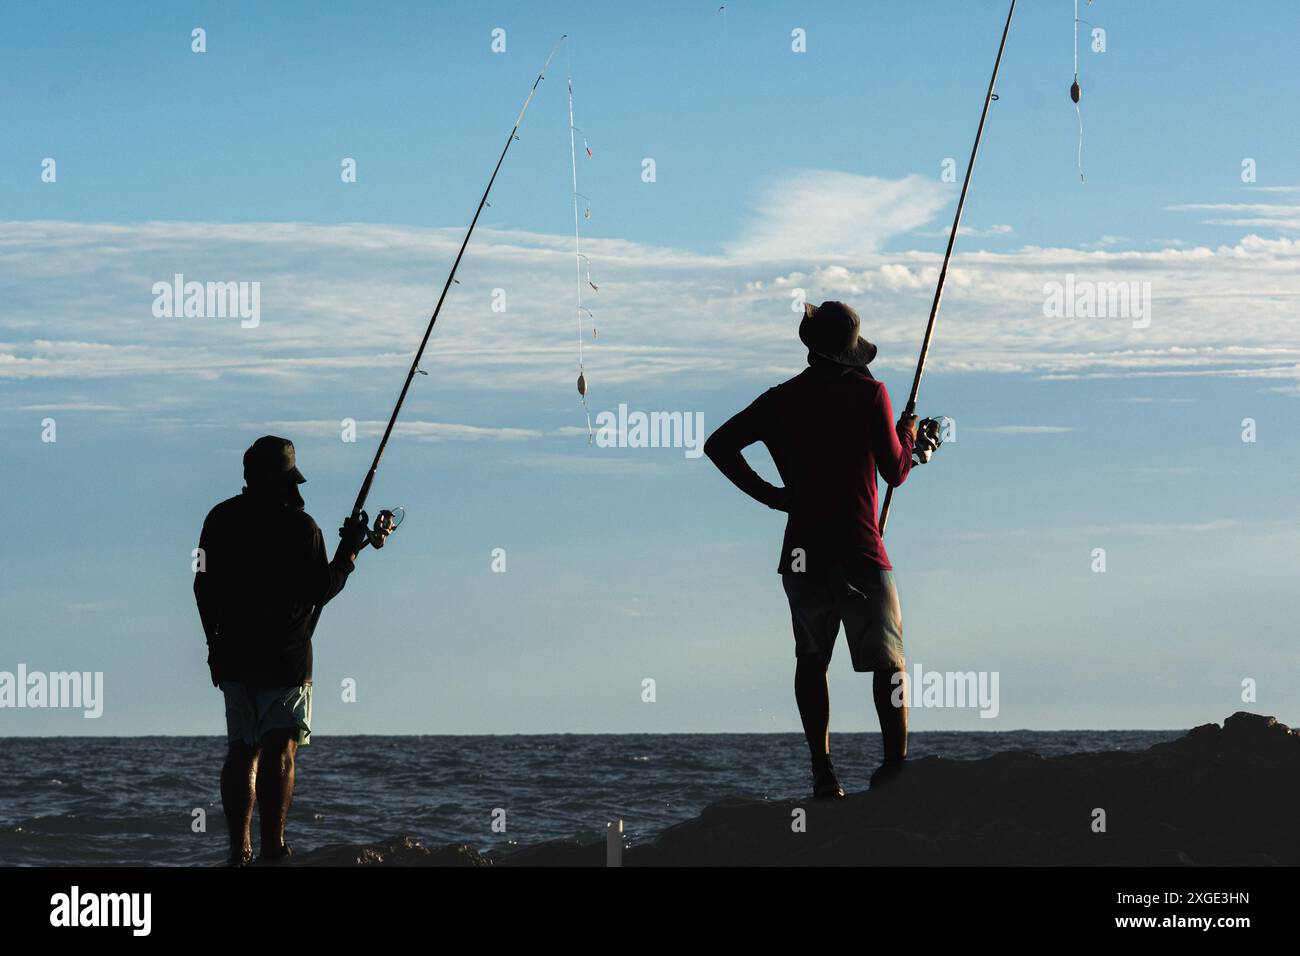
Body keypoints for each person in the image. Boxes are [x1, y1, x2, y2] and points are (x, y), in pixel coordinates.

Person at [704, 301, 917, 798]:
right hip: (862, 553)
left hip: (803, 556)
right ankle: (895, 769)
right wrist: (908, 435)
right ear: (850, 354)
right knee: (888, 664)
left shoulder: (781, 400)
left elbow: (719, 445)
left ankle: (823, 773)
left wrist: (776, 497)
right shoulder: (872, 395)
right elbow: (896, 471)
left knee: (811, 661)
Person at [193, 436, 390, 864]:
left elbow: (201, 586)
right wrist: (351, 550)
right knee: (280, 748)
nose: (296, 491)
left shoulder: (218, 520)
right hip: (285, 661)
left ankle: (237, 850)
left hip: (233, 658)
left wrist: (214, 647)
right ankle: (273, 848)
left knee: (241, 749)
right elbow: (322, 588)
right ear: (277, 481)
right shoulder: (301, 529)